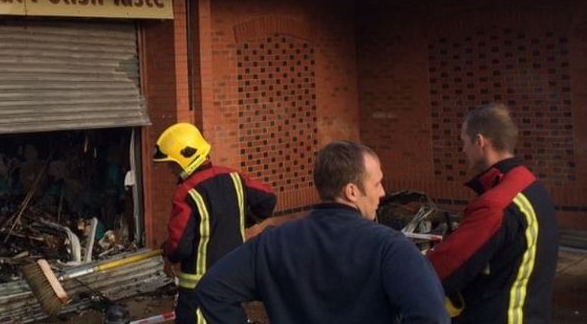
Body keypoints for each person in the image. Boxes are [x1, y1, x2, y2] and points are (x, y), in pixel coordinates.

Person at [196, 140, 448, 324]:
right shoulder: (390, 248)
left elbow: (212, 289)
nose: (382, 193)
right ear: (352, 192)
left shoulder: (272, 243)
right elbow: (432, 316)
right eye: (377, 183)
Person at [426, 103, 558, 323]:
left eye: (464, 141)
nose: (463, 150)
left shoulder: (496, 204)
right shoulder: (530, 186)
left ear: (480, 141)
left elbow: (439, 271)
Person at [153, 122, 276, 324]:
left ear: (186, 157)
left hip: (198, 289)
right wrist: (241, 221)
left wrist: (167, 251)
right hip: (233, 279)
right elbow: (268, 199)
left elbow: (180, 246)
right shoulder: (234, 177)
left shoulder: (186, 192)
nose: (170, 169)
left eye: (172, 164)